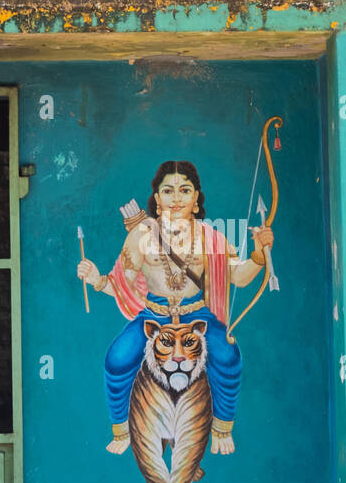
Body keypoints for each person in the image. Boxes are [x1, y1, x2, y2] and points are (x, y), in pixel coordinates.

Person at [77, 160, 272, 455]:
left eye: (185, 190)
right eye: (168, 191)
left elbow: (241, 278)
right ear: (157, 199)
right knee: (116, 360)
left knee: (228, 357)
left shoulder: (211, 237)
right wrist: (97, 280)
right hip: (153, 315)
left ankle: (222, 427)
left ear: (196, 199)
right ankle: (121, 429)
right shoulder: (141, 236)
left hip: (198, 314)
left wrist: (258, 253)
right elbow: (122, 285)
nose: (176, 198)